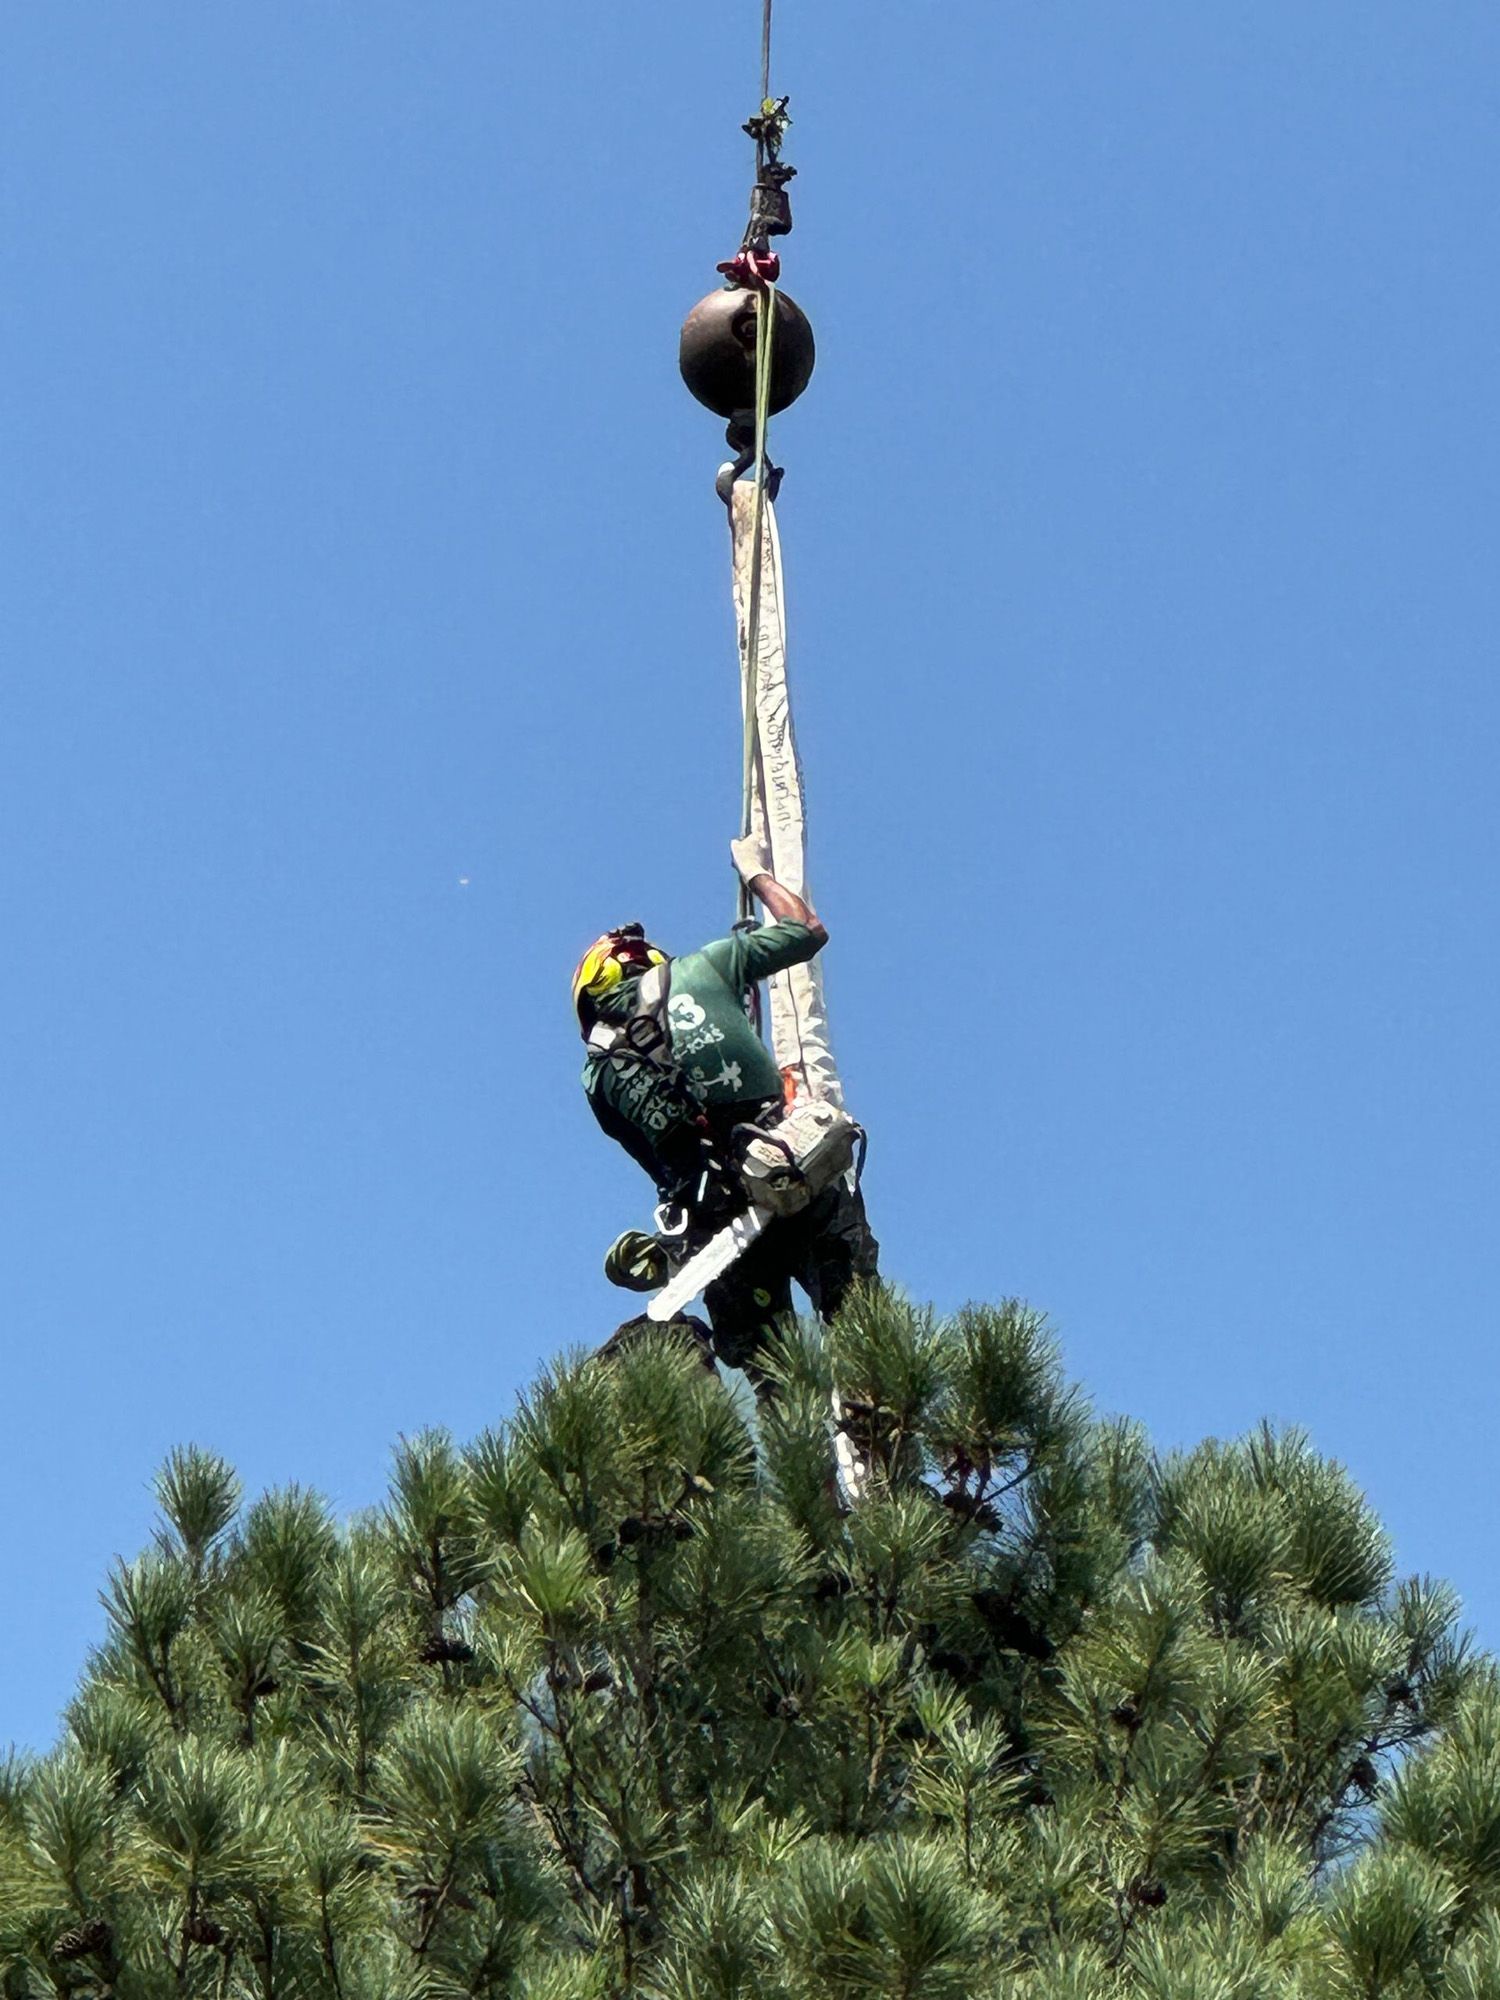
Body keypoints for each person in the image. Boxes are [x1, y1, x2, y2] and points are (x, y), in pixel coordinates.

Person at [573, 838, 878, 1380]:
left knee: (778, 1383)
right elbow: (808, 932)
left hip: (718, 1231)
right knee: (862, 1331)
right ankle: (878, 1421)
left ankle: (800, 1451)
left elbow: (657, 1150)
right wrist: (756, 872)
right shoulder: (705, 967)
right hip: (788, 1168)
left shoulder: (597, 1077)